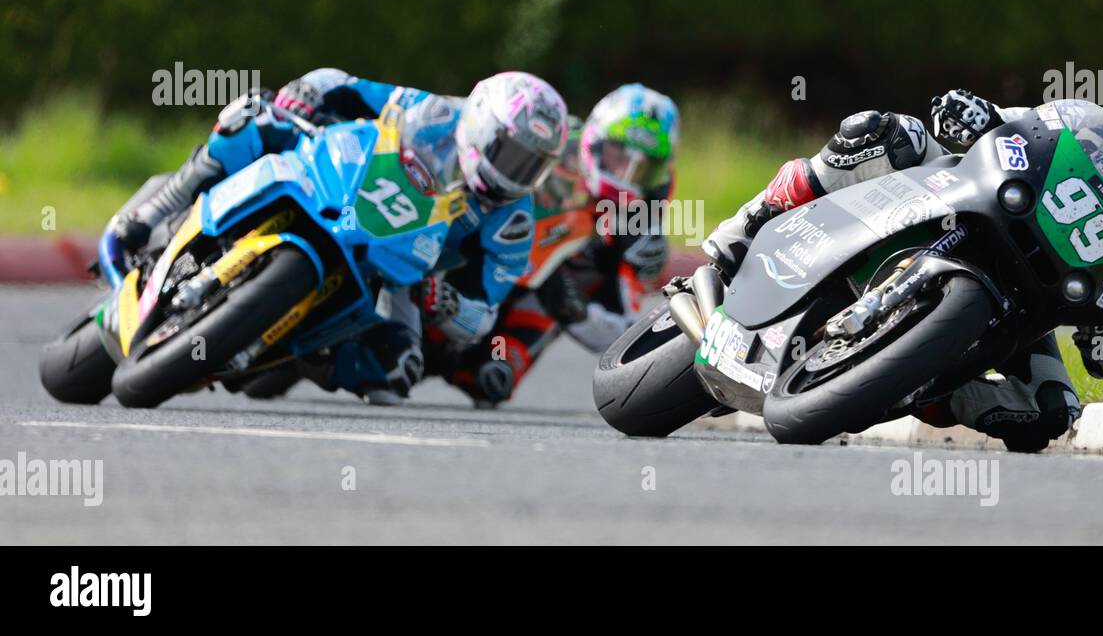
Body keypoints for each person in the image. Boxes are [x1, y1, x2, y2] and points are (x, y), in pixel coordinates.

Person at [703, 83, 1103, 451]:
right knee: (882, 132)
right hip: (967, 202)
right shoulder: (1088, 125)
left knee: (1046, 413)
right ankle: (751, 223)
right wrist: (974, 115)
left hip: (1027, 304)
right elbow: (1011, 129)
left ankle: (909, 387)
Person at [109, 68, 569, 405]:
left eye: (531, 165)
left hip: (400, 271)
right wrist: (306, 94)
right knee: (251, 116)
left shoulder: (514, 219)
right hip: (339, 184)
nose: (515, 174)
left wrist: (446, 301)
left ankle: (294, 355)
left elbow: (484, 314)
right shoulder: (431, 112)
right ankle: (158, 209)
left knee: (396, 372)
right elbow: (339, 83)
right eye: (509, 155)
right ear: (482, 125)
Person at [434, 83, 679, 407]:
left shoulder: (641, 222)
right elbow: (475, 115)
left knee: (492, 378)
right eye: (618, 156)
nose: (626, 175)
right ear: (594, 142)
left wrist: (572, 305)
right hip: (474, 250)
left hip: (524, 300)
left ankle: (502, 354)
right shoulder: (549, 139)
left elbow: (624, 332)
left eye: (643, 168)